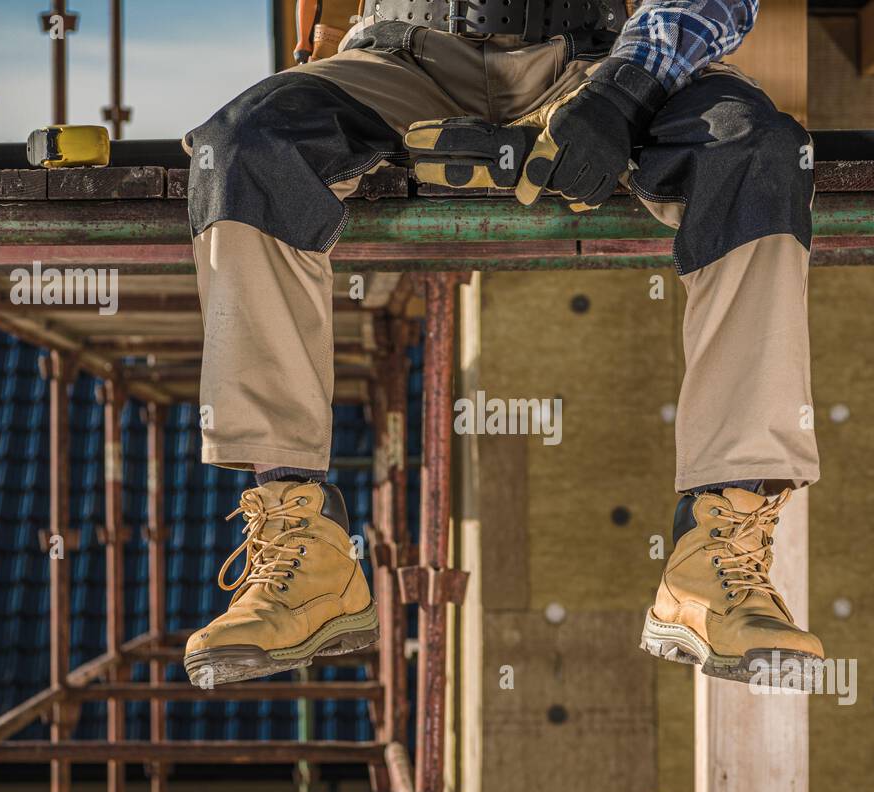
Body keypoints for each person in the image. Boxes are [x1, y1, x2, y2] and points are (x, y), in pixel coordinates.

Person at [181, 0, 824, 689]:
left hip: (598, 57)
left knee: (758, 152)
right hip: (400, 59)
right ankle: (301, 542)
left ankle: (714, 552)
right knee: (247, 144)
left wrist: (626, 87)